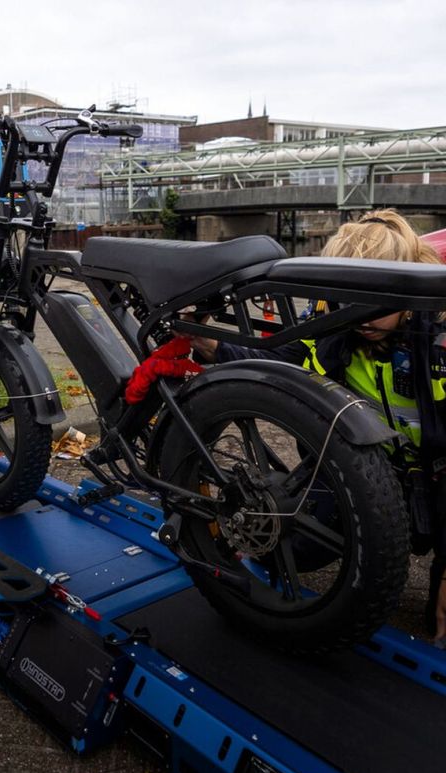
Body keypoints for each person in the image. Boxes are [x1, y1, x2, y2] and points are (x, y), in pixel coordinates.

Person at [190, 209, 446, 644]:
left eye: (376, 300)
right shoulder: (332, 326)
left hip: (441, 477)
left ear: (405, 287)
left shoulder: (439, 339)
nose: (362, 316)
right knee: (288, 550)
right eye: (349, 299)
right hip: (369, 473)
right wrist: (212, 346)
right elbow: (277, 364)